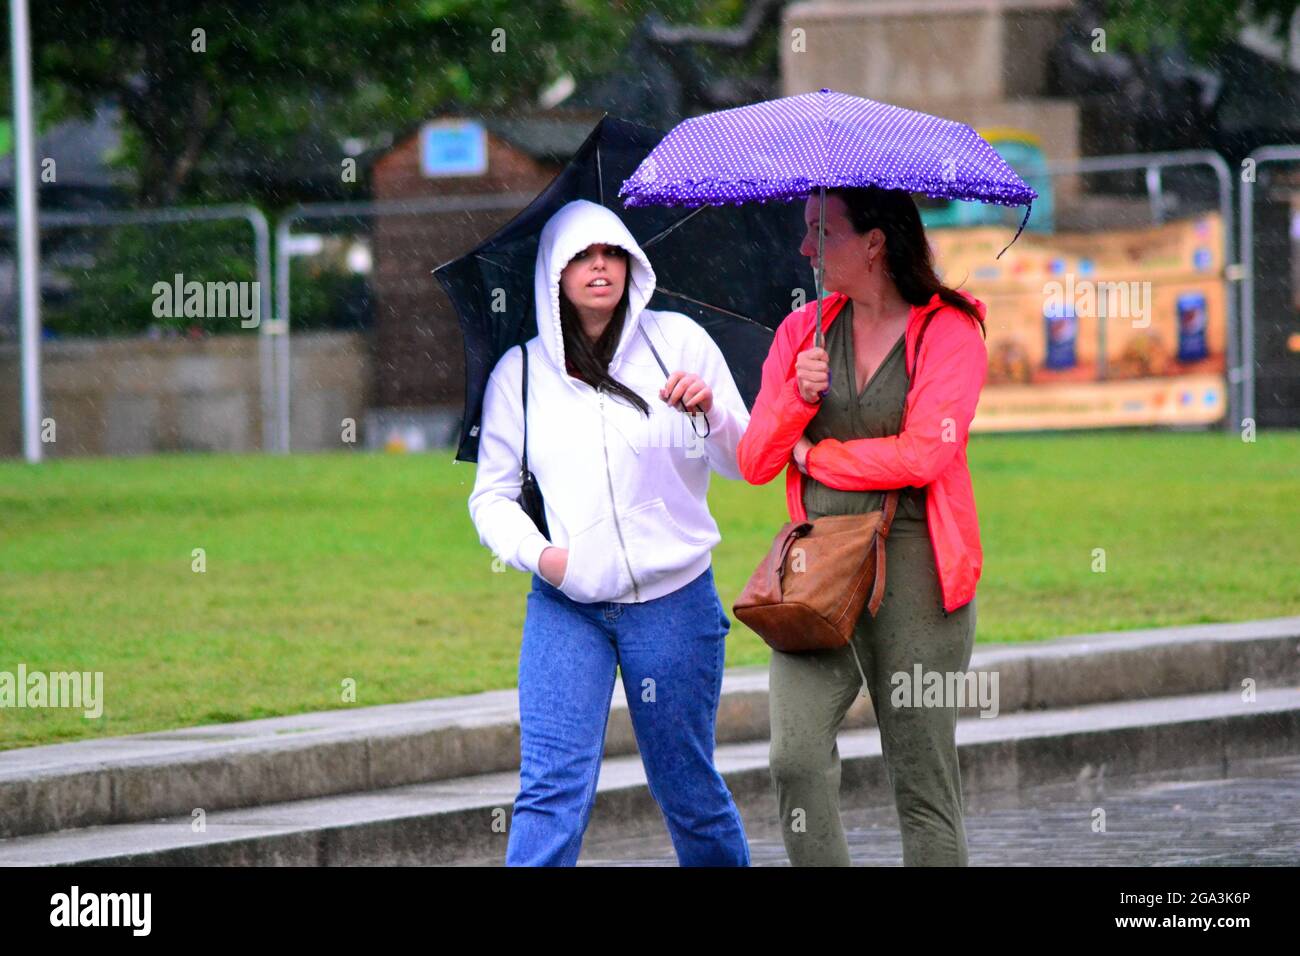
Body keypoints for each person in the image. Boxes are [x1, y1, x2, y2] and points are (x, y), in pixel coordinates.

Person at [467, 199, 751, 867]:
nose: (600, 265)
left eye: (612, 252)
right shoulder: (523, 374)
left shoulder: (678, 343)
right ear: (554, 276)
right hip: (569, 609)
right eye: (582, 257)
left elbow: (745, 464)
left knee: (686, 786)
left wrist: (709, 410)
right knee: (550, 789)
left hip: (675, 605)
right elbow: (492, 497)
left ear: (631, 264)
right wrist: (546, 558)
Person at [736, 186, 988, 867]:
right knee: (794, 759)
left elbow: (926, 454)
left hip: (918, 568)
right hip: (820, 569)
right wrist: (797, 395)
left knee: (922, 780)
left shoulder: (950, 331)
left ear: (874, 242)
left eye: (822, 230)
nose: (805, 247)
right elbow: (756, 459)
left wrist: (817, 454)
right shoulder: (801, 333)